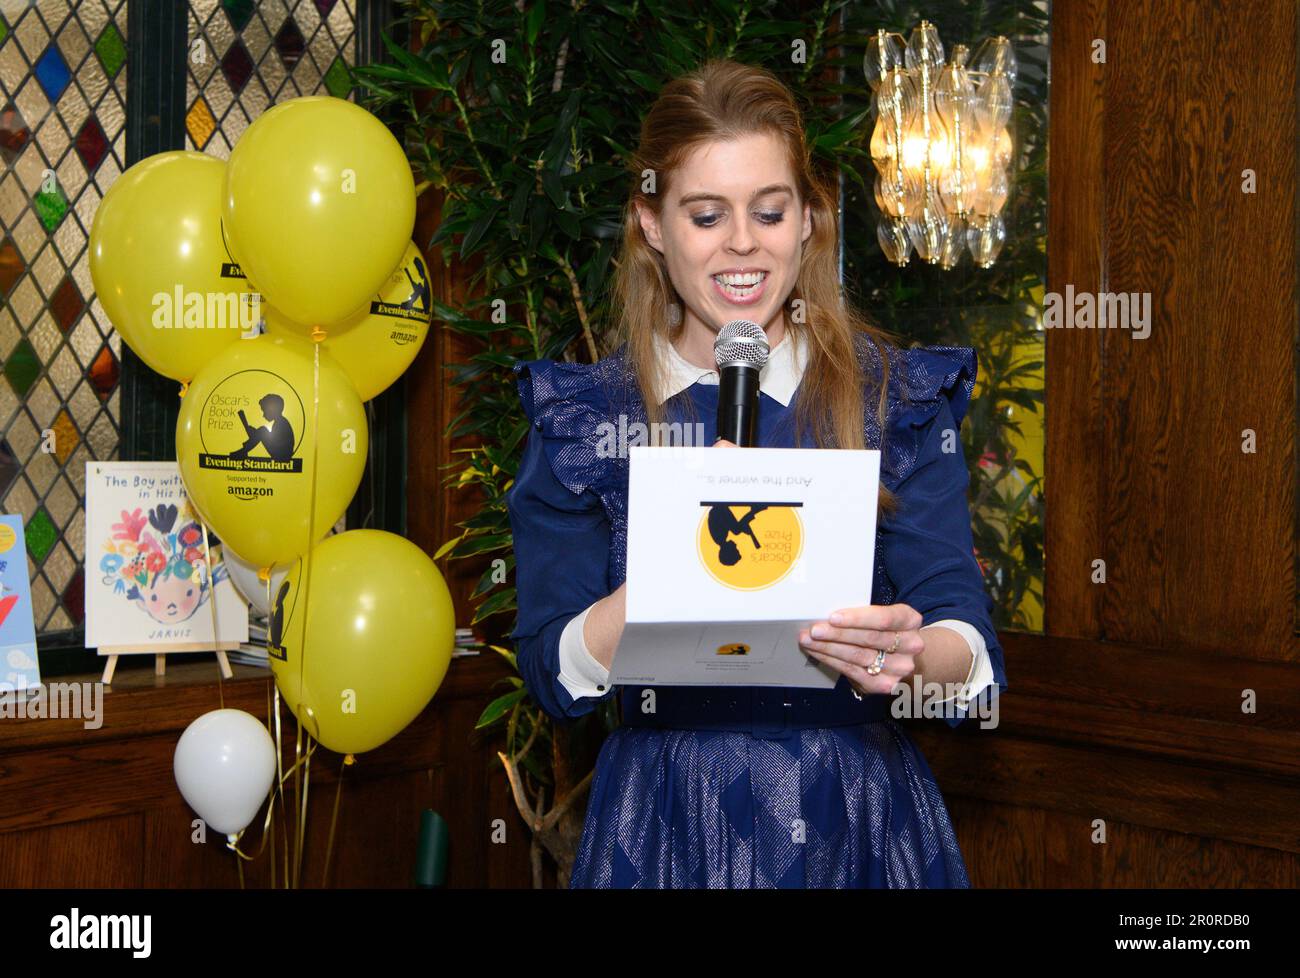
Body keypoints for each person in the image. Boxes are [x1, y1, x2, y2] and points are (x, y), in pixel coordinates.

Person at [506, 59, 1008, 888]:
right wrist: (662, 585)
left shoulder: (896, 401)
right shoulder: (585, 420)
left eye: (769, 211)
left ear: (809, 219)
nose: (743, 242)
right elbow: (553, 676)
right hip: (661, 825)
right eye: (707, 215)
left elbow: (968, 642)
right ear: (652, 224)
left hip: (854, 820)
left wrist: (913, 655)